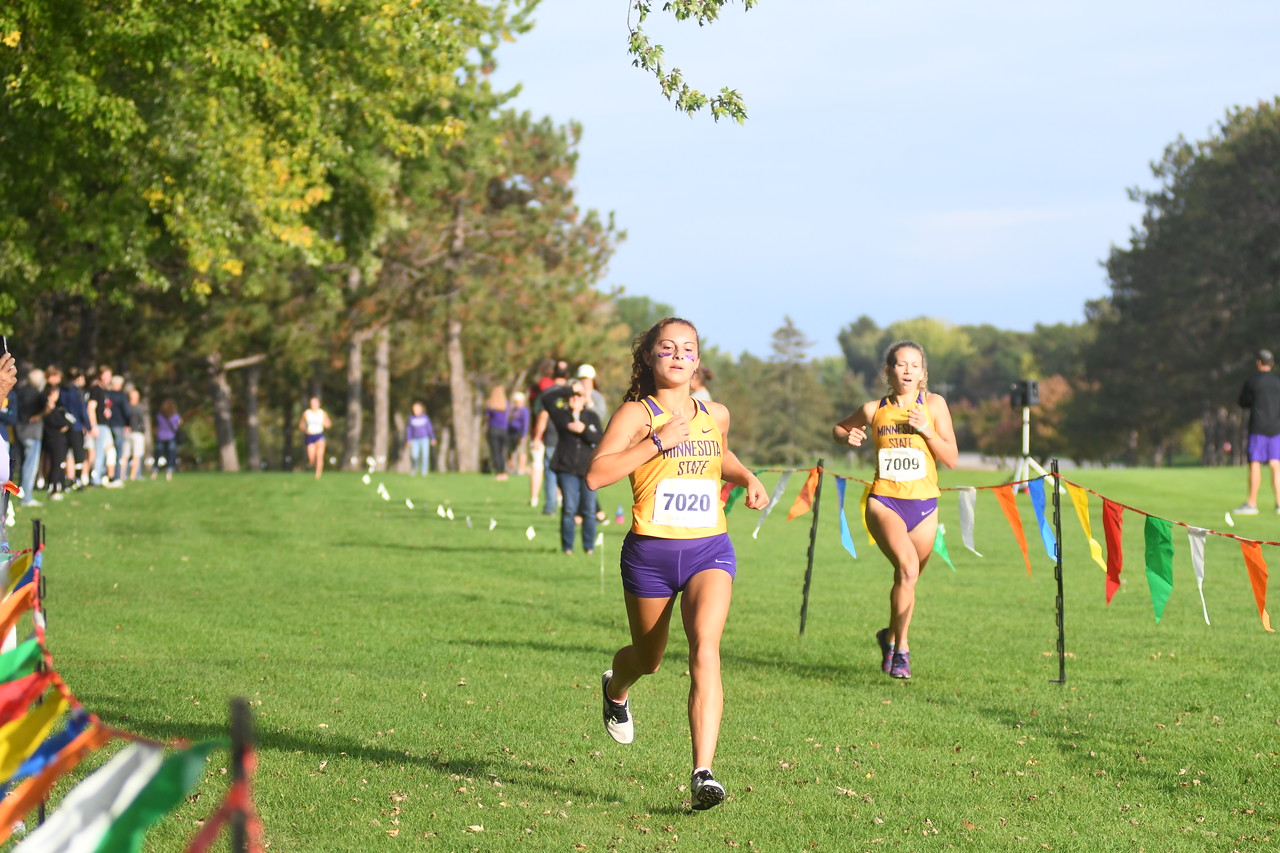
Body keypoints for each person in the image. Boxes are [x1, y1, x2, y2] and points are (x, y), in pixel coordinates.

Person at [586, 317, 767, 812]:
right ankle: (616, 687)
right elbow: (596, 475)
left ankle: (702, 773)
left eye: (688, 347)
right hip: (650, 555)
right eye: (667, 347)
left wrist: (747, 476)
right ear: (649, 357)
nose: (679, 355)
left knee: (706, 647)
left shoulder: (716, 413)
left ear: (698, 358)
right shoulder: (635, 415)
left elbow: (719, 456)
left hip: (710, 548)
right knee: (648, 659)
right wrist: (658, 440)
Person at [832, 340, 957, 680]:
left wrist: (926, 430)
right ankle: (901, 648)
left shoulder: (934, 404)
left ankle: (887, 637)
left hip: (925, 505)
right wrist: (848, 437)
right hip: (885, 502)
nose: (907, 370)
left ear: (923, 373)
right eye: (900, 364)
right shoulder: (874, 410)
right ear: (888, 371)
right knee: (906, 569)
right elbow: (840, 428)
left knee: (909, 578)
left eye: (914, 365)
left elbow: (952, 458)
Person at [547, 381, 604, 554]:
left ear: (584, 399)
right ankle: (567, 547)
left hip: (587, 470)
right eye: (572, 396)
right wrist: (569, 388)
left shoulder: (591, 417)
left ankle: (589, 547)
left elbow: (599, 438)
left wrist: (584, 430)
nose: (575, 399)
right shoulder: (561, 416)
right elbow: (547, 399)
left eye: (578, 396)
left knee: (589, 509)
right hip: (566, 469)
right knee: (569, 508)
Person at [1233, 349, 1280, 515]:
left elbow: (1243, 402)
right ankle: (1279, 504)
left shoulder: (1252, 381)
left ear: (1258, 363)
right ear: (1272, 364)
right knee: (1275, 465)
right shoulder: (1277, 381)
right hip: (1276, 429)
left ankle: (1252, 504)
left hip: (1258, 428)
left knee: (1255, 464)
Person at [531, 363, 570, 513]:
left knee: (550, 471)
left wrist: (537, 436)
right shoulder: (571, 392)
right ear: (567, 375)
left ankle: (550, 506)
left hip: (552, 437)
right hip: (569, 438)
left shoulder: (548, 394)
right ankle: (568, 504)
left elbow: (543, 416)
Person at [16, 368, 54, 506]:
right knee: (30, 467)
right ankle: (27, 497)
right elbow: (47, 408)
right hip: (32, 432)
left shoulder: (20, 391)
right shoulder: (39, 395)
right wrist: (43, 413)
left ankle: (20, 492)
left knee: (22, 465)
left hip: (19, 430)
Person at [40, 366, 72, 501]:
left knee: (55, 462)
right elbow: (58, 421)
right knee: (56, 462)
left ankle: (56, 485)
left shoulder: (54, 406)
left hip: (54, 437)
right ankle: (53, 488)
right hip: (54, 437)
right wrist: (64, 423)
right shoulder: (49, 406)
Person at [87, 366, 116, 486]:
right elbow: (90, 408)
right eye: (107, 375)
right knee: (98, 452)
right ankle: (95, 478)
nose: (109, 378)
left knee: (108, 450)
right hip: (98, 425)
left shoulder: (104, 391)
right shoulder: (96, 390)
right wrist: (93, 426)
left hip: (104, 425)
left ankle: (105, 475)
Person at [298, 396, 331, 479]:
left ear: (318, 404)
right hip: (310, 436)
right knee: (312, 457)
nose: (313, 405)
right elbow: (301, 425)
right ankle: (314, 466)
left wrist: (326, 424)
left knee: (319, 455)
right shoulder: (307, 413)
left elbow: (328, 424)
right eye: (312, 403)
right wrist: (306, 430)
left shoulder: (322, 413)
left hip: (319, 435)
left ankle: (318, 474)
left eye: (315, 403)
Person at [483, 385, 510, 480]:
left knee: (495, 451)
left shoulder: (490, 404)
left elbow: (486, 417)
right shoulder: (506, 404)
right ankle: (504, 471)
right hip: (504, 430)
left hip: (493, 429)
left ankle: (499, 471)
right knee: (502, 451)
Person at [122, 386, 148, 480]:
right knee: (136, 455)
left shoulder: (126, 408)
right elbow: (142, 422)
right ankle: (133, 475)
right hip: (137, 433)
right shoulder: (139, 409)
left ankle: (122, 474)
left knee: (125, 455)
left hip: (126, 433)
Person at [405, 402, 437, 476]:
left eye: (417, 409)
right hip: (415, 440)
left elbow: (429, 428)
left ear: (421, 409)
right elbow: (409, 430)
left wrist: (433, 438)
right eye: (414, 409)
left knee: (425, 455)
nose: (415, 410)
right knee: (414, 455)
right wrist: (408, 439)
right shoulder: (411, 419)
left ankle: (424, 472)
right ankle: (414, 468)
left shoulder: (425, 418)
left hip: (424, 439)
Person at [154, 399, 182, 480]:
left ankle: (155, 470)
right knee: (171, 455)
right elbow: (176, 427)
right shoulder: (175, 416)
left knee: (158, 455)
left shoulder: (159, 416)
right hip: (171, 436)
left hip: (160, 436)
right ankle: (169, 472)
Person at [506, 391, 530, 475]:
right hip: (511, 433)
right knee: (510, 452)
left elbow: (525, 424)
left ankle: (521, 469)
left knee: (521, 452)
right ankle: (511, 469)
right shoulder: (513, 411)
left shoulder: (524, 411)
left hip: (520, 433)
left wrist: (523, 436)